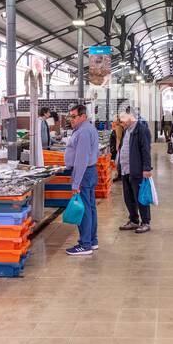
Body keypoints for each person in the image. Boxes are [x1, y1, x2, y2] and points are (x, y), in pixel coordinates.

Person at [63, 103, 99, 255]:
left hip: (84, 174)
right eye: (70, 116)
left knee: (83, 209)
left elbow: (81, 159)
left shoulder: (84, 131)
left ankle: (85, 245)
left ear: (83, 116)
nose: (71, 119)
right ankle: (92, 240)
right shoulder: (87, 128)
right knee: (90, 207)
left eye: (74, 116)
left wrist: (76, 183)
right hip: (89, 172)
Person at [116, 110, 154, 233]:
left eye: (122, 121)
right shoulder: (127, 130)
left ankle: (146, 222)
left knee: (141, 197)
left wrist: (146, 168)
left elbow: (146, 150)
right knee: (129, 198)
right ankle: (133, 220)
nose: (121, 124)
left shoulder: (142, 130)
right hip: (126, 170)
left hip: (136, 169)